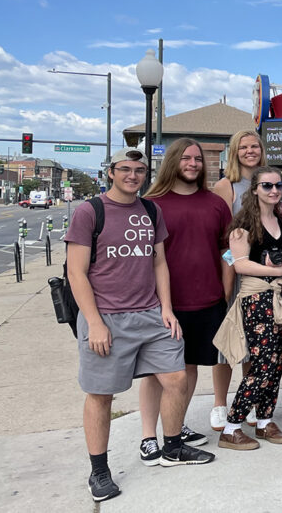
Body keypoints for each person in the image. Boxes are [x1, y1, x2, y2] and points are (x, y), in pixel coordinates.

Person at [64, 148, 215, 502]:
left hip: (150, 314)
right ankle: (99, 471)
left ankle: (173, 446)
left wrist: (166, 309)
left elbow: (160, 263)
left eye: (139, 170)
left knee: (176, 378)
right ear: (111, 172)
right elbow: (76, 272)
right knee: (101, 396)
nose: (133, 175)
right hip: (107, 318)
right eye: (126, 170)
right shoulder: (90, 212)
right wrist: (94, 322)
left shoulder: (150, 210)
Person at [138, 138, 233, 464]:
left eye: (197, 159)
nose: (193, 163)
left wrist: (225, 289)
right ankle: (149, 438)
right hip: (164, 304)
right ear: (174, 161)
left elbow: (227, 250)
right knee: (156, 373)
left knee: (189, 368)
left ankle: (174, 427)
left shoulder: (216, 204)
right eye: (186, 158)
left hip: (206, 301)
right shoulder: (152, 203)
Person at [214, 167, 282, 451]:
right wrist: (279, 268)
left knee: (278, 362)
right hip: (257, 300)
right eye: (267, 186)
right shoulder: (243, 224)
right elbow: (240, 263)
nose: (274, 191)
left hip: (281, 297)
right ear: (254, 189)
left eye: (278, 185)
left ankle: (264, 419)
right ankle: (232, 426)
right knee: (261, 363)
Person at [211, 130, 266, 431]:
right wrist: (233, 269)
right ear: (234, 152)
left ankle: (249, 401)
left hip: (261, 274)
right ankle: (220, 403)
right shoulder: (225, 186)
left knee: (254, 341)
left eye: (254, 146)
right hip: (234, 270)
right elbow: (221, 236)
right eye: (243, 147)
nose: (249, 151)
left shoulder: (266, 182)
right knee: (227, 342)